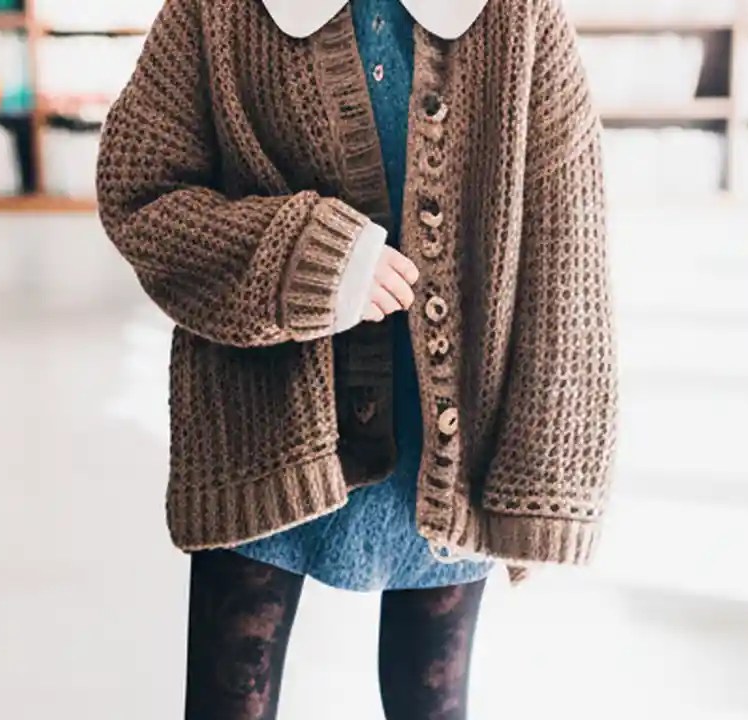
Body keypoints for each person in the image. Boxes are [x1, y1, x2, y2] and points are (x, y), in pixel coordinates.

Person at [96, 0, 617, 717]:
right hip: (264, 423)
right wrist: (305, 259)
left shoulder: (517, 16)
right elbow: (140, 191)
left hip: (445, 444)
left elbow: (568, 258)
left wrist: (542, 477)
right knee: (228, 691)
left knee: (429, 701)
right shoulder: (215, 11)